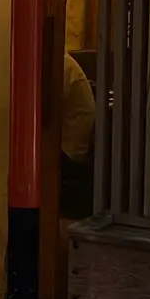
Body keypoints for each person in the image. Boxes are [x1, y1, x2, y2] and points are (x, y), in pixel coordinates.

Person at [60, 52, 95, 217]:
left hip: (69, 148)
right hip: (72, 143)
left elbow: (45, 112)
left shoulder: (61, 66)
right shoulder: (65, 63)